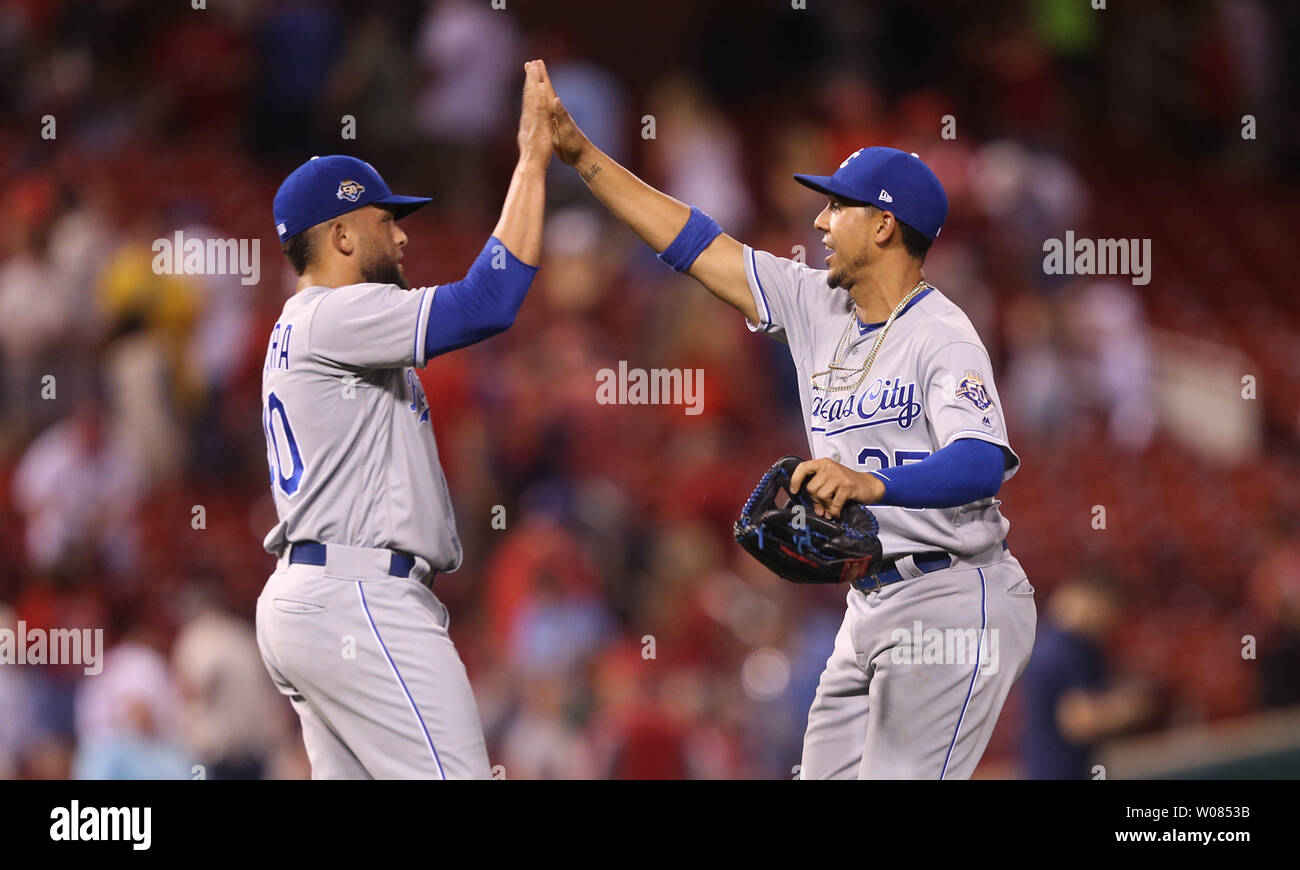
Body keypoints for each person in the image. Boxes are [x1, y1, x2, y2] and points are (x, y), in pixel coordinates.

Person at [547, 78, 1036, 779]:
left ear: (884, 225)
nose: (819, 221)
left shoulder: (943, 335)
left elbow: (982, 462)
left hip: (954, 597)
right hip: (870, 603)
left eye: (837, 206)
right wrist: (584, 158)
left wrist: (870, 483)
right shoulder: (815, 305)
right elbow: (695, 245)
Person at [254, 60, 553, 780]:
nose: (403, 238)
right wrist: (533, 161)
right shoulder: (338, 313)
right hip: (359, 596)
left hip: (313, 595)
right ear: (342, 236)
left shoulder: (304, 325)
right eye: (386, 220)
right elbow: (488, 302)